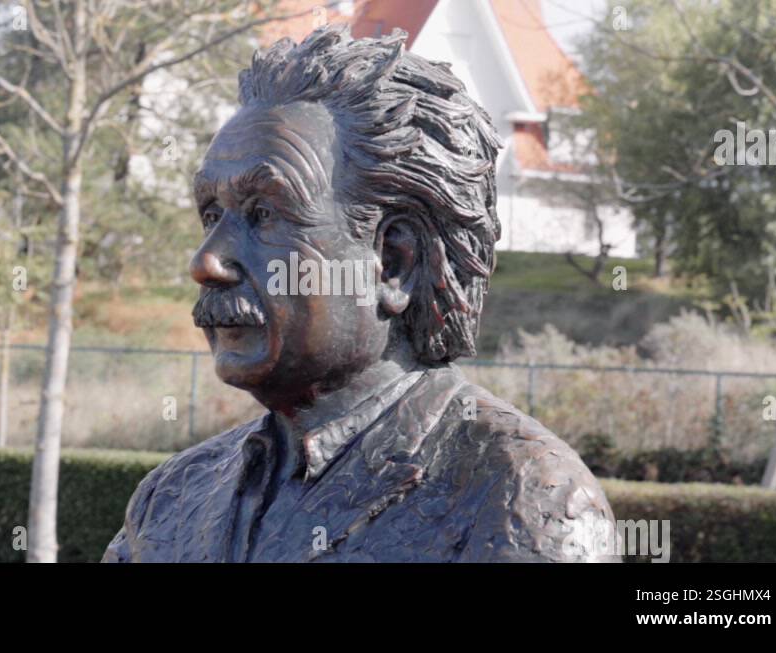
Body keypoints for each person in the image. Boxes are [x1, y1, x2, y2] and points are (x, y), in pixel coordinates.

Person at [103, 26, 617, 563]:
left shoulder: (524, 499)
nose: (206, 261)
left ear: (393, 264)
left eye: (263, 215)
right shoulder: (170, 499)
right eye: (211, 215)